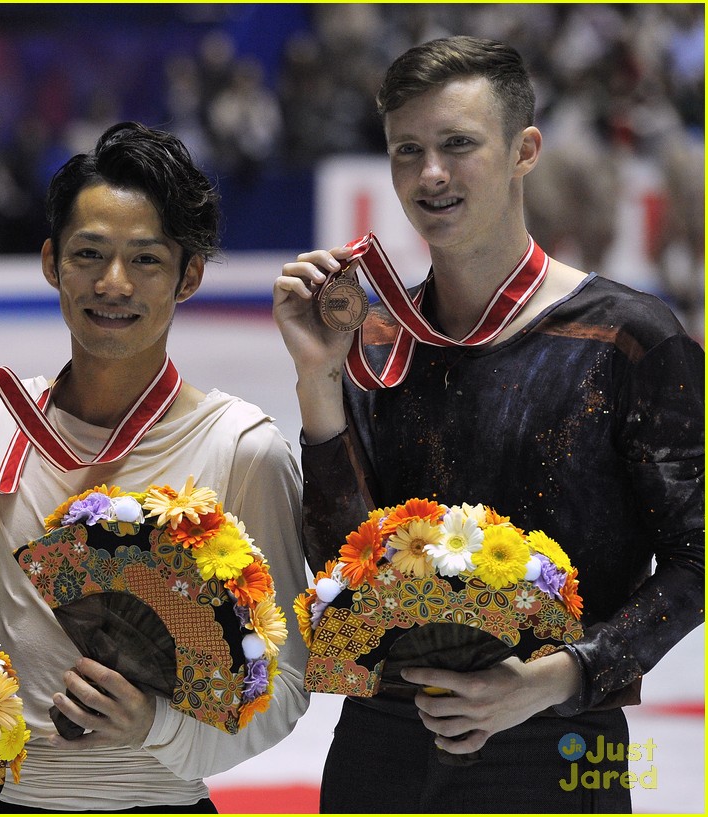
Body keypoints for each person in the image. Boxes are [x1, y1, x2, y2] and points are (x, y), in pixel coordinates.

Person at [273, 36, 704, 812]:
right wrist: (316, 378)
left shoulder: (627, 336)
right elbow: (339, 563)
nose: (430, 174)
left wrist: (557, 677)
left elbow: (697, 555)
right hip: (381, 740)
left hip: (565, 737)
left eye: (458, 144)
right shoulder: (373, 340)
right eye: (409, 150)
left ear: (524, 150)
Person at [0, 121, 310, 812]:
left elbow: (286, 689)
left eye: (145, 259)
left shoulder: (242, 447)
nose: (113, 283)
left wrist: (157, 726)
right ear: (52, 262)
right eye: (90, 254)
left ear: (189, 274)